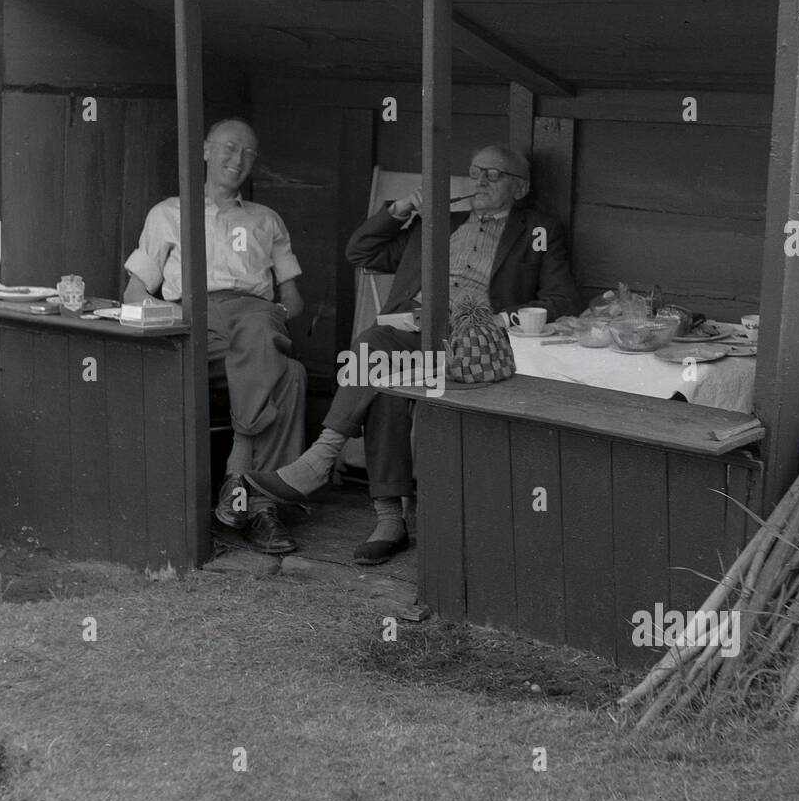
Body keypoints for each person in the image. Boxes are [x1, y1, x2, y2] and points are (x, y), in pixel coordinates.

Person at [246, 144, 578, 564]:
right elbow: (360, 252)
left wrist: (487, 320)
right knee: (384, 379)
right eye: (476, 171)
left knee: (373, 349)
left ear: (521, 188)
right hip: (412, 335)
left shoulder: (538, 230)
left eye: (493, 175)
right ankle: (389, 519)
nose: (479, 181)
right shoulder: (439, 224)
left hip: (471, 348)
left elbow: (562, 298)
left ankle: (328, 466)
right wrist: (400, 208)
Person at [124, 118, 306, 555]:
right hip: (194, 319)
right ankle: (249, 489)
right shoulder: (168, 213)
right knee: (290, 375)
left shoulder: (267, 220)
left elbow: (293, 299)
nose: (237, 159)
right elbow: (134, 290)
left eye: (247, 153)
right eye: (228, 148)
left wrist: (272, 317)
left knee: (275, 349)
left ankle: (251, 500)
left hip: (255, 315)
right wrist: (168, 319)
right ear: (205, 151)